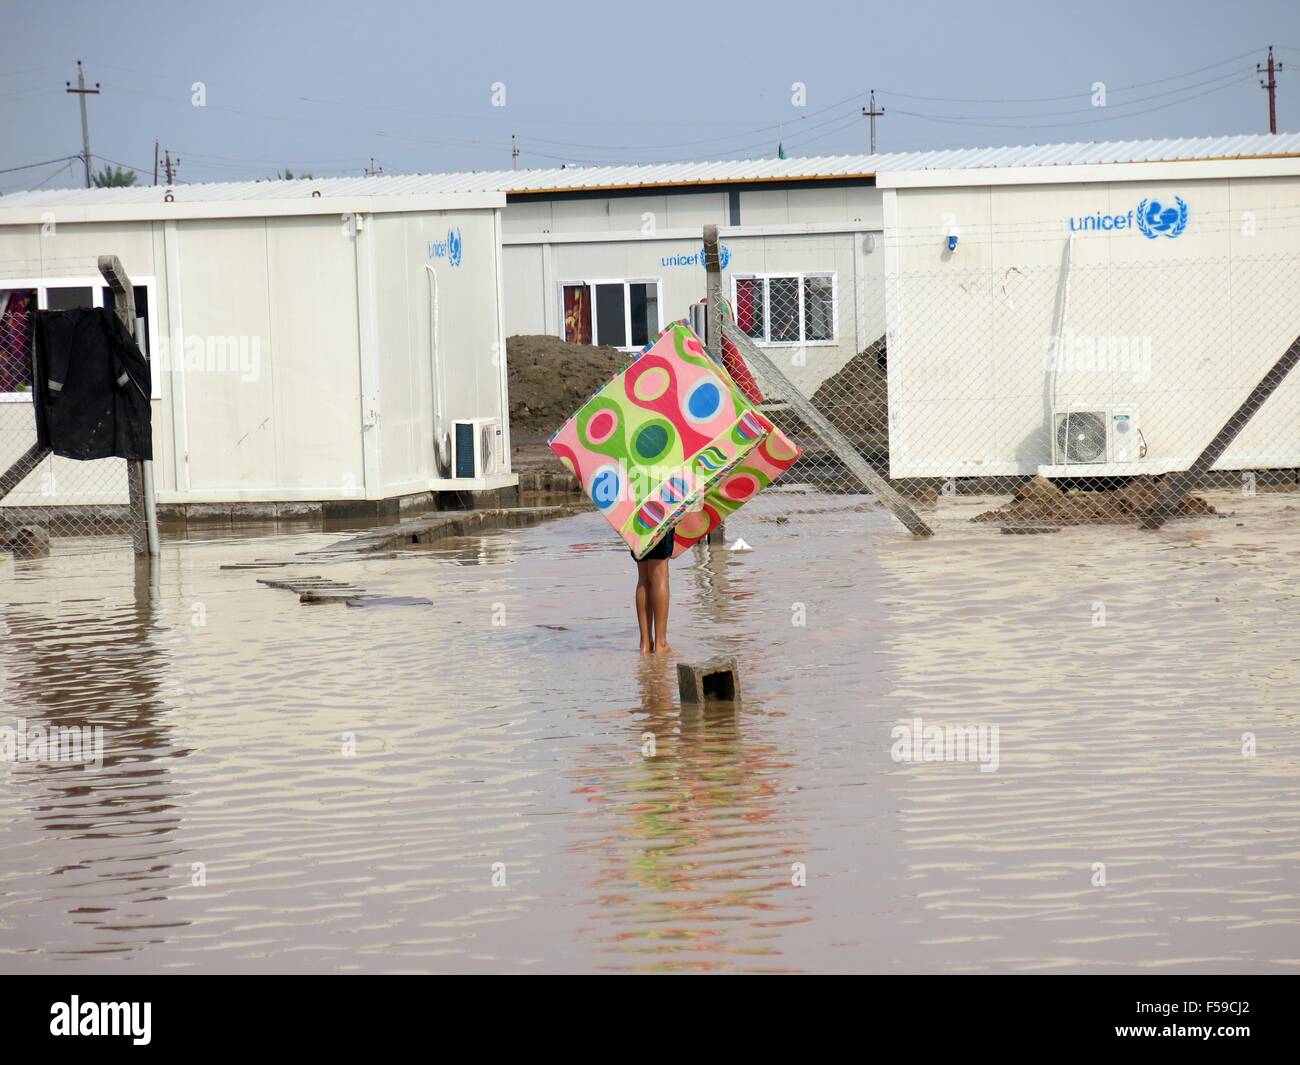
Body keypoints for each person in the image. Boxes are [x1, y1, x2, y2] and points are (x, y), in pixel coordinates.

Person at [634, 529, 674, 654]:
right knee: (660, 574)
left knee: (643, 577)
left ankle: (645, 643)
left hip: (636, 518)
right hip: (660, 514)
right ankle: (661, 643)